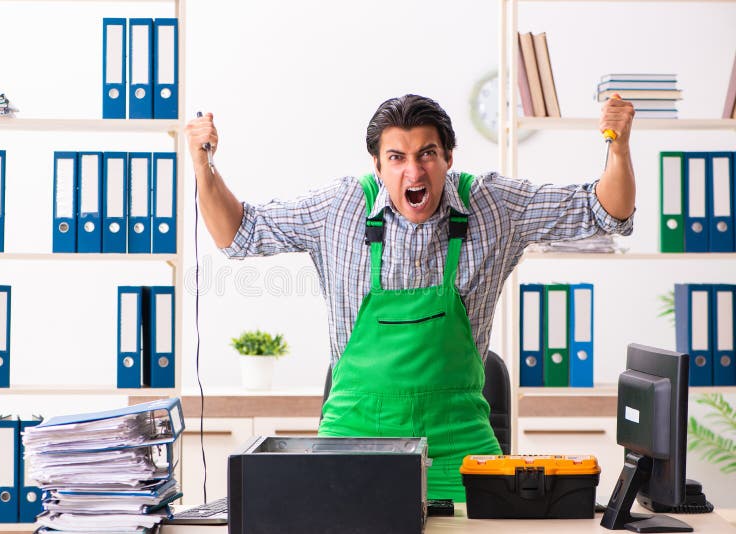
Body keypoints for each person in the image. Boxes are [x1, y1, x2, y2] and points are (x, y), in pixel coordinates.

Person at [186, 94, 635, 501]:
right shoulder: (339, 209)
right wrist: (203, 166)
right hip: (349, 443)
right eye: (397, 157)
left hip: (460, 450)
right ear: (377, 167)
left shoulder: (494, 205)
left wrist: (618, 147)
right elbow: (236, 233)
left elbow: (605, 211)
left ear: (448, 158)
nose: (414, 172)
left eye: (427, 155)